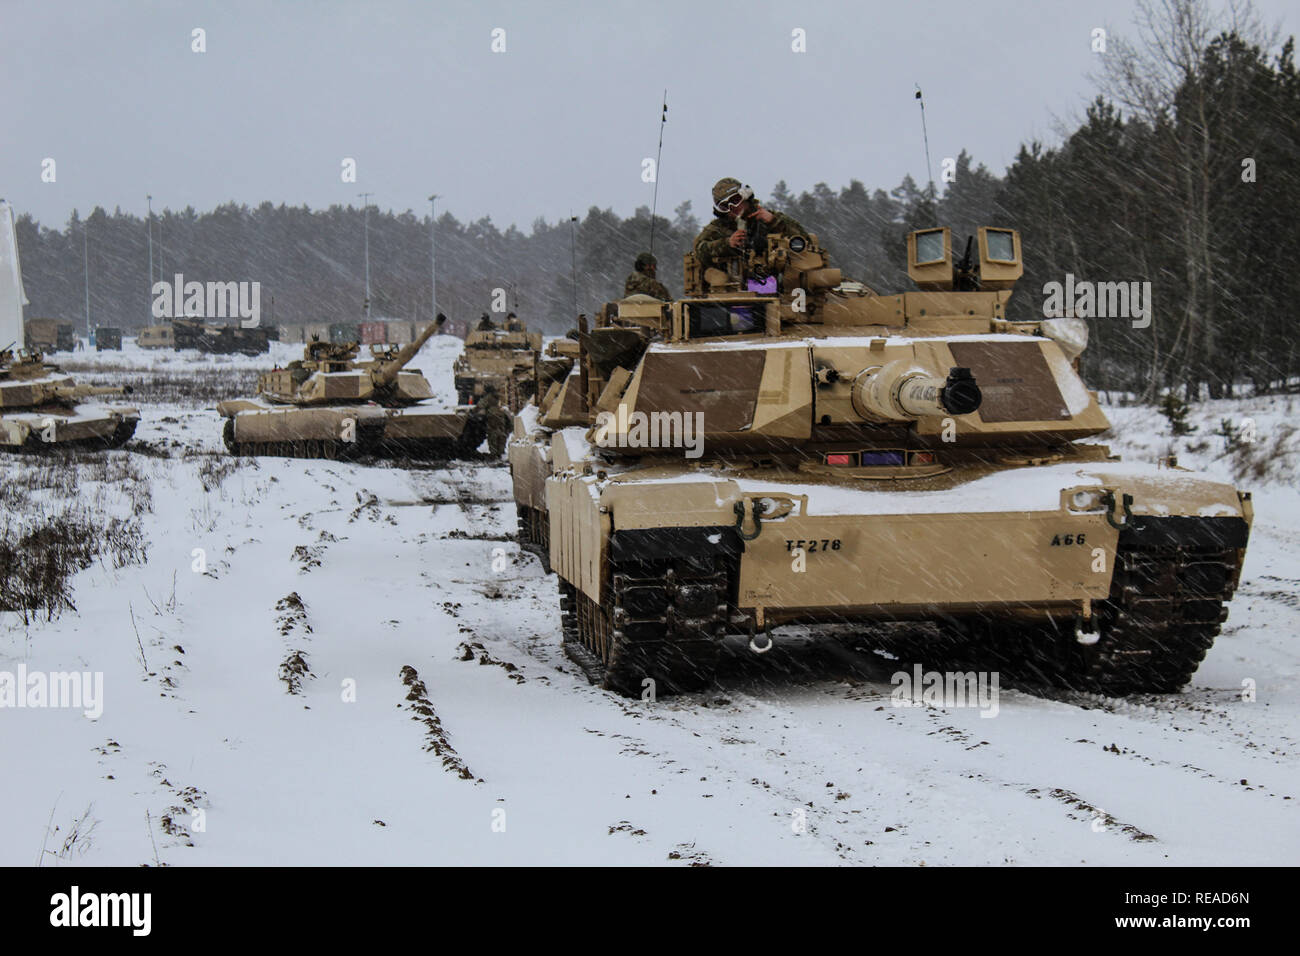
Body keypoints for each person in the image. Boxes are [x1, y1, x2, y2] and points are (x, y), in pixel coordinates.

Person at [693, 177, 809, 272]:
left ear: (745, 195)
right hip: (731, 288)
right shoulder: (718, 228)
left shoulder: (770, 218)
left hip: (780, 282)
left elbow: (805, 241)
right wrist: (727, 244)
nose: (733, 207)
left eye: (735, 200)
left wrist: (774, 222)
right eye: (725, 206)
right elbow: (698, 250)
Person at [478, 385, 512, 458]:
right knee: (501, 434)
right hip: (502, 417)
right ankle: (500, 451)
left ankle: (494, 453)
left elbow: (480, 405)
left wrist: (473, 412)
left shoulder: (488, 397)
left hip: (492, 417)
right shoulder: (499, 396)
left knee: (492, 434)